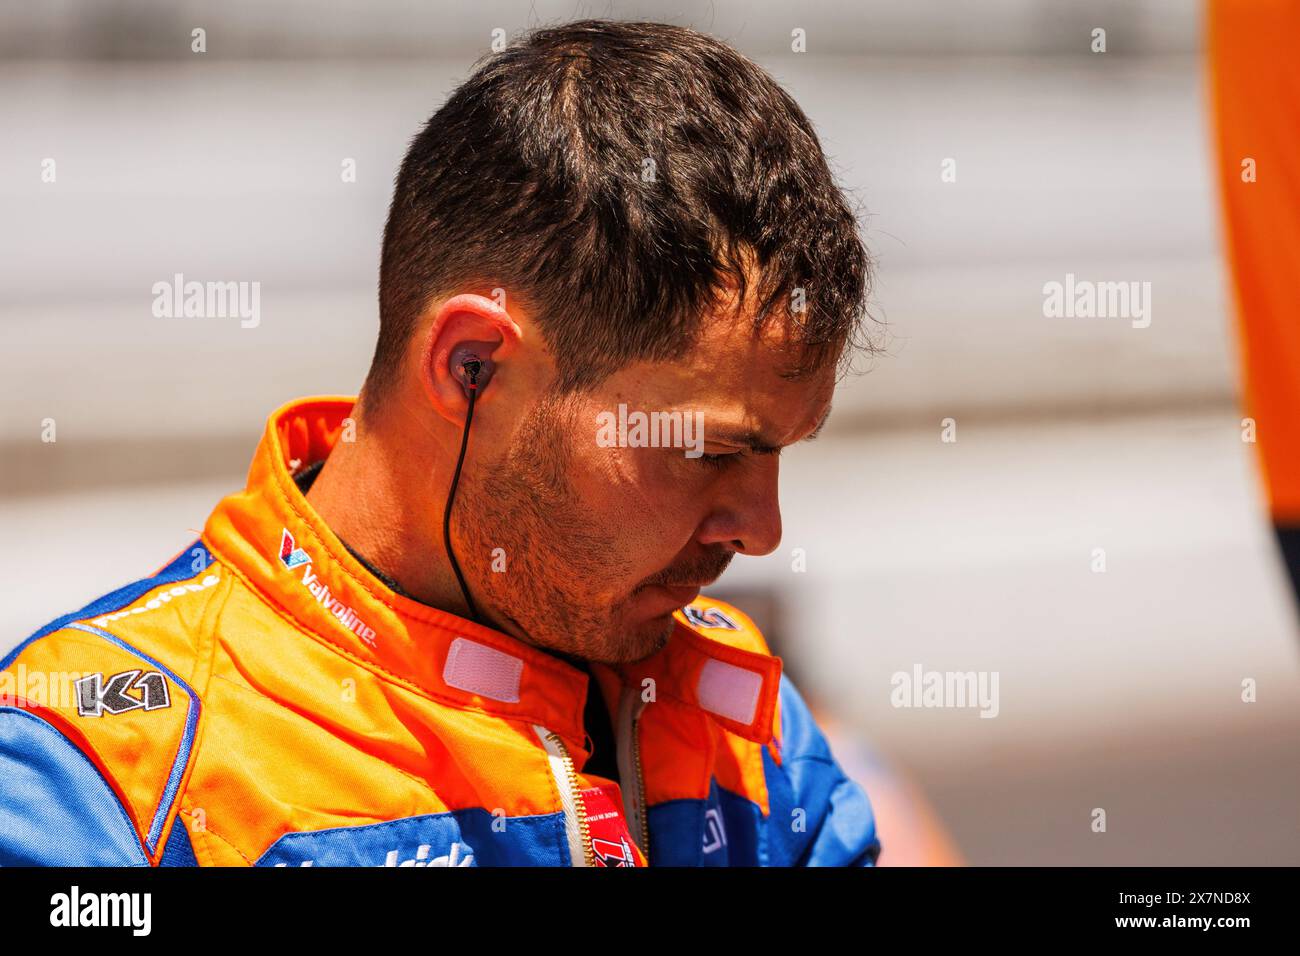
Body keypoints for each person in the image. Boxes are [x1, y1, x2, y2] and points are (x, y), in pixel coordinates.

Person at [0, 19, 880, 866]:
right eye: (709, 452)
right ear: (471, 368)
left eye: (779, 452)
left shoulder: (747, 728)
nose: (760, 531)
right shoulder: (95, 771)